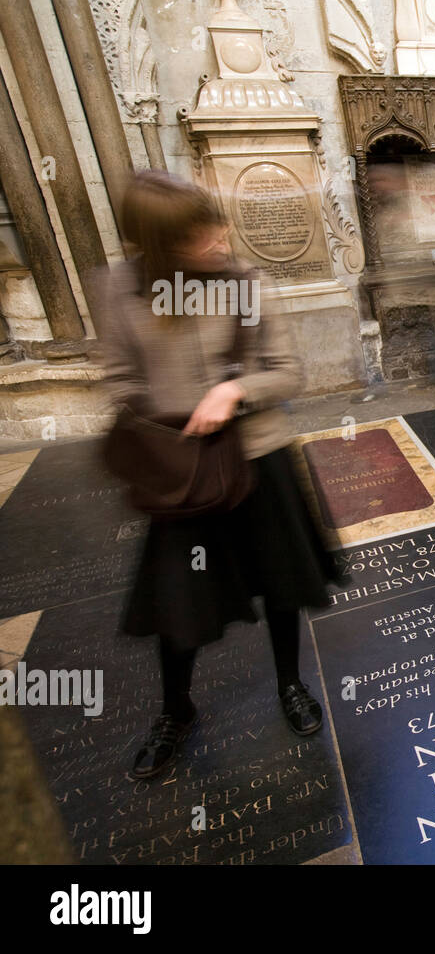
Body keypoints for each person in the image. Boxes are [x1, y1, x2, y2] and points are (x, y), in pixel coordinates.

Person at [95, 171, 339, 780]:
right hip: (183, 476)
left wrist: (235, 389)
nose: (219, 236)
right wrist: (157, 425)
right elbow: (120, 379)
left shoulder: (247, 285)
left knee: (282, 584)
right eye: (201, 232)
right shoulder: (119, 290)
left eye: (214, 222)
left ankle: (290, 684)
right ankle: (175, 709)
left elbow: (287, 373)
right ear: (160, 243)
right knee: (181, 601)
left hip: (259, 461)